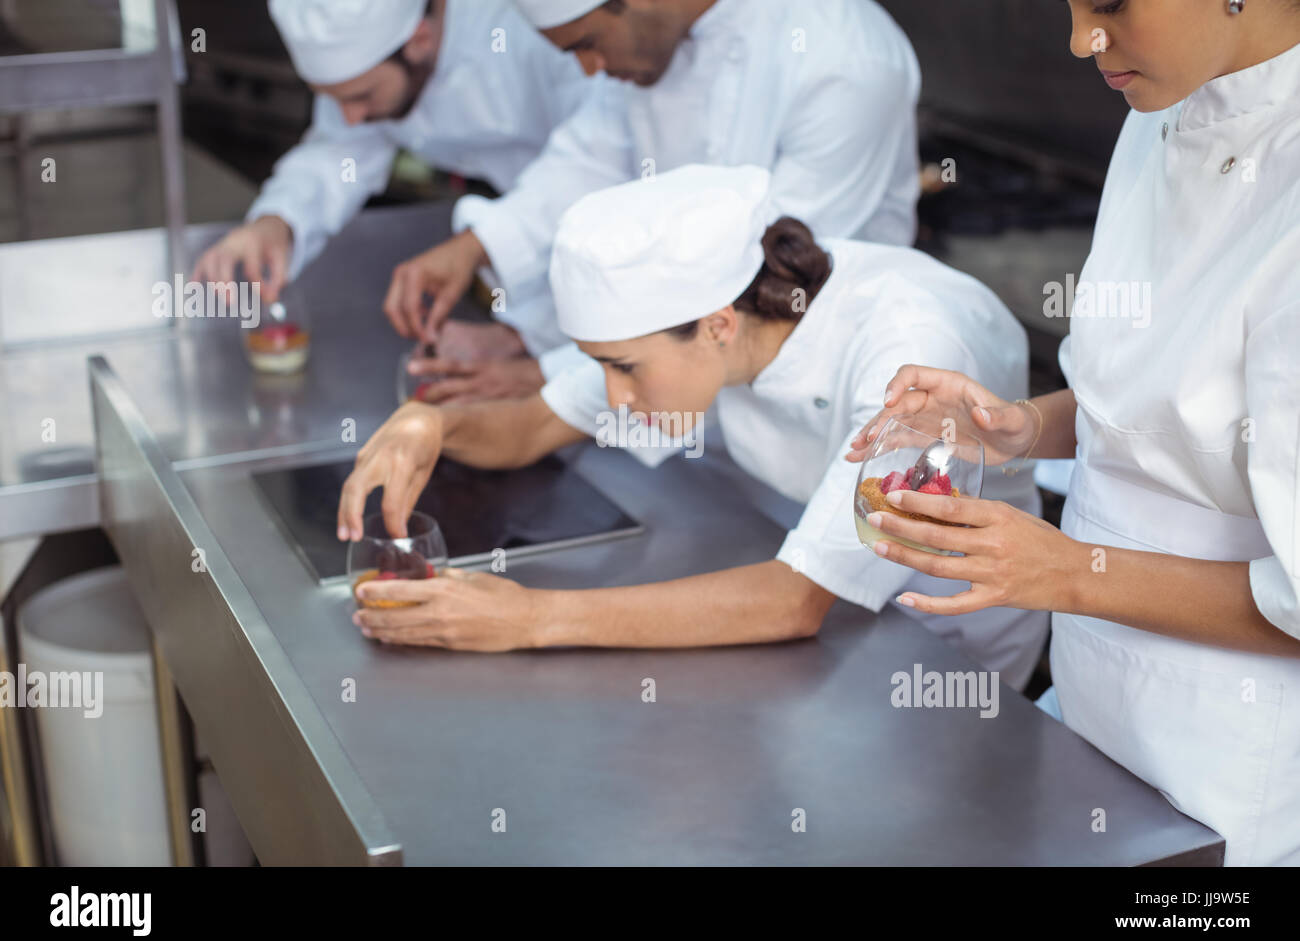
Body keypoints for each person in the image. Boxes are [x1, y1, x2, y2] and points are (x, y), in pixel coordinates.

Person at [847, 0, 1300, 865]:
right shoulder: (1162, 110)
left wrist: (1065, 572)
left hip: (1232, 770)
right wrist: (1017, 429)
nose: (1078, 39)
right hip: (1095, 704)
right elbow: (1159, 414)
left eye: (1111, 4)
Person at [337, 165, 1049, 690]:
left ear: (716, 326)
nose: (615, 397)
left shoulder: (909, 359)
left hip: (943, 652)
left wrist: (528, 620)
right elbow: (528, 427)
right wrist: (431, 423)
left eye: (625, 369)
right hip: (822, 603)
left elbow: (794, 600)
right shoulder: (716, 310)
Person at [389, 0, 921, 402]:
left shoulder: (847, 60)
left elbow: (766, 277)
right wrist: (477, 247)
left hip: (822, 397)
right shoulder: (649, 46)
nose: (590, 69)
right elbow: (590, 163)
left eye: (587, 43)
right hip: (679, 398)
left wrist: (553, 375)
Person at [192, 0, 593, 364]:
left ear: (419, 40)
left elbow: (596, 168)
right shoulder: (374, 67)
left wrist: (486, 257)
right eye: (335, 99)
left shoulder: (532, 32)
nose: (350, 116)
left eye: (362, 96)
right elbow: (341, 148)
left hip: (599, 248)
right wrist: (277, 221)